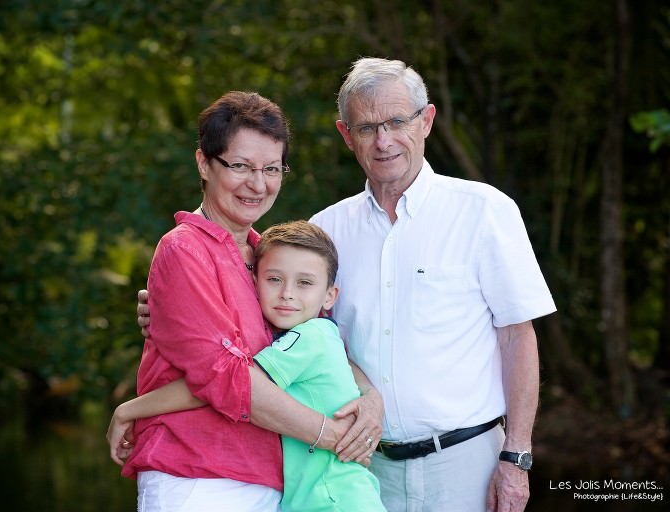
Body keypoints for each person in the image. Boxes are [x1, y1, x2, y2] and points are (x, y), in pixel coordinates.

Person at [136, 58, 556, 512]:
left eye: (397, 121)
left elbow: (517, 336)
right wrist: (162, 308)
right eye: (366, 127)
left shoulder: (483, 211)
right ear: (345, 135)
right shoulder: (325, 231)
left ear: (427, 121)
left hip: (463, 462)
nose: (384, 140)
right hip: (355, 469)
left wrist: (516, 455)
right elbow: (266, 339)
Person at [109, 90, 384, 512]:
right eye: (240, 166)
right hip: (197, 475)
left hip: (269, 482)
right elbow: (227, 378)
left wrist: (370, 398)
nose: (258, 184)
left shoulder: (267, 260)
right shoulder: (186, 249)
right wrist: (332, 438)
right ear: (204, 163)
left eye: (271, 168)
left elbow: (316, 345)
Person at [111, 220, 387, 511]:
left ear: (330, 296)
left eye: (304, 283)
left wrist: (130, 409)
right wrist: (174, 305)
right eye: (274, 279)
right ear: (252, 284)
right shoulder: (309, 336)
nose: (287, 294)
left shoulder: (311, 338)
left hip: (337, 498)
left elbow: (231, 384)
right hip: (313, 497)